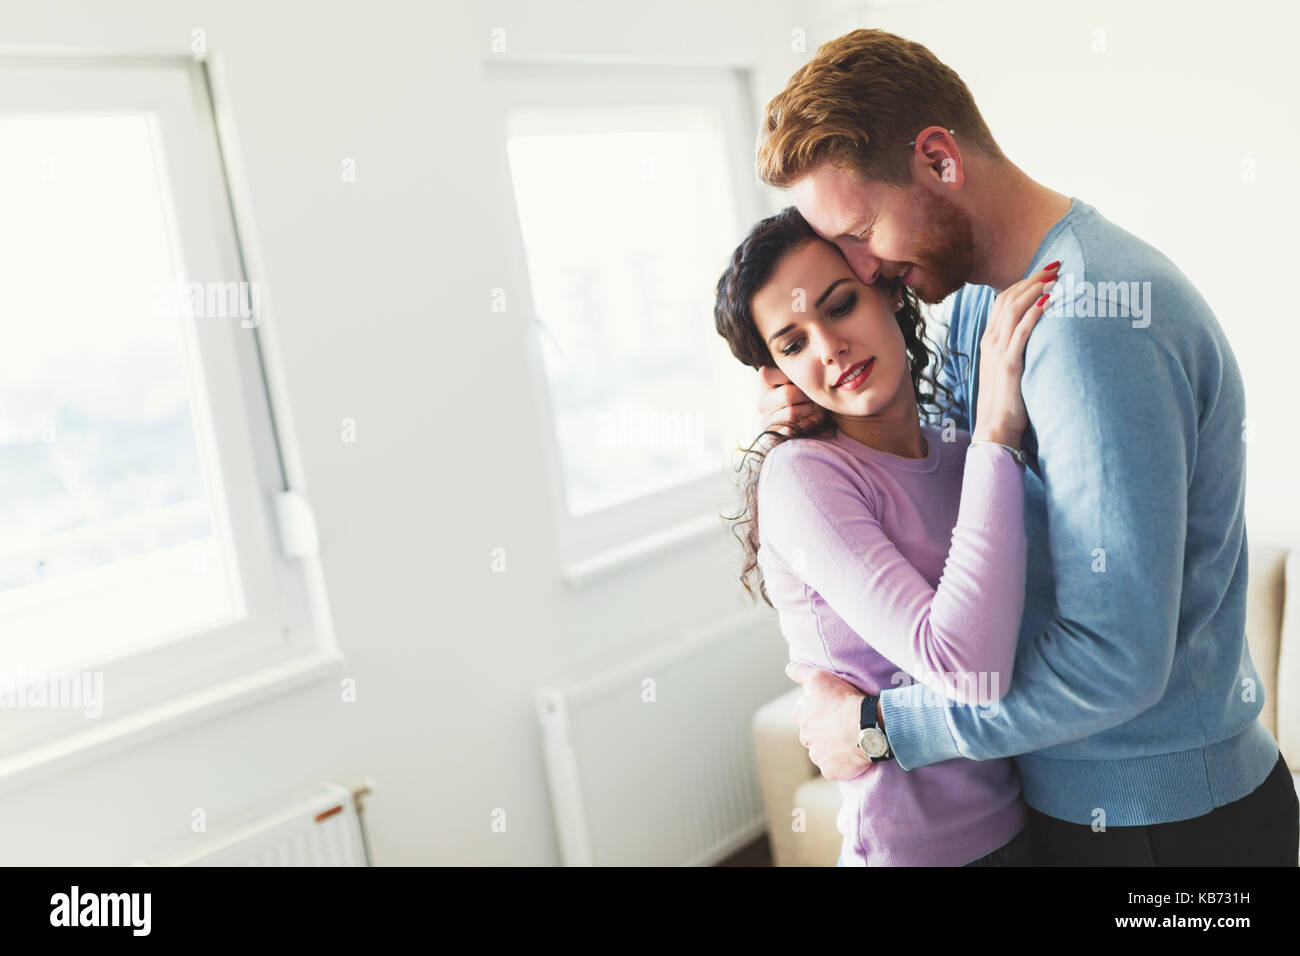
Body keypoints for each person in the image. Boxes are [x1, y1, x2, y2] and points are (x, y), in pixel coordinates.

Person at [754, 27, 1298, 865]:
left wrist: (879, 731)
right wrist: (816, 417)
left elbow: (1116, 665)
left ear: (939, 159)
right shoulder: (983, 302)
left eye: (861, 232)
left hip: (1161, 826)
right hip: (1080, 805)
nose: (862, 269)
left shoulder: (1086, 324)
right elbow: (965, 497)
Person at [715, 204, 1057, 865]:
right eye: (793, 343)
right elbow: (970, 669)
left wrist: (987, 441)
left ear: (889, 292)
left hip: (1026, 826)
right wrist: (997, 431)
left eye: (840, 305)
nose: (828, 347)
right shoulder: (804, 476)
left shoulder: (961, 456)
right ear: (778, 376)